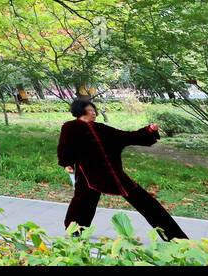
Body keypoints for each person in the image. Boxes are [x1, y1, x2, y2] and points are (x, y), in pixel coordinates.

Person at [56, 97, 187, 241]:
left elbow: (126, 136)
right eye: (90, 110)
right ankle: (76, 230)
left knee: (147, 203)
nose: (94, 113)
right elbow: (64, 147)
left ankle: (175, 237)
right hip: (88, 176)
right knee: (82, 204)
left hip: (115, 176)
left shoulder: (102, 128)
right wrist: (67, 163)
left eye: (94, 110)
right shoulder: (70, 127)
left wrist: (148, 131)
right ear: (81, 111)